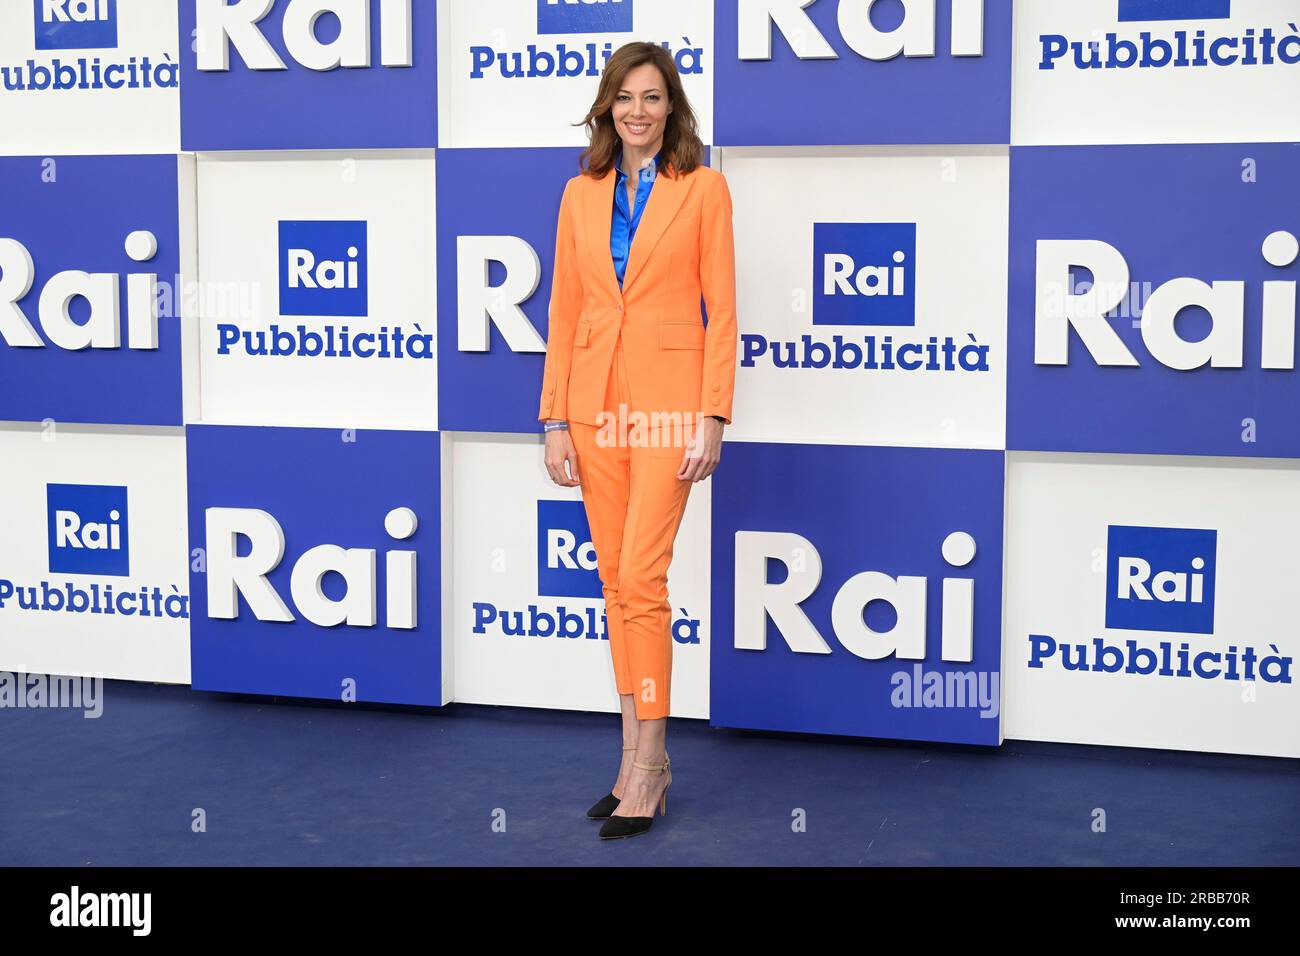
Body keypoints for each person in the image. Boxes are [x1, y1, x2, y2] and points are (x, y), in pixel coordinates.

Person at [537, 41, 738, 840]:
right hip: (592, 408)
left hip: (666, 411)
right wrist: (554, 419)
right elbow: (563, 312)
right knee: (616, 587)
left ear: (672, 108)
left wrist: (713, 415)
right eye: (626, 97)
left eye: (653, 98)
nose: (639, 112)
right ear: (607, 105)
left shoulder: (705, 189)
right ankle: (628, 758)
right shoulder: (579, 194)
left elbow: (721, 311)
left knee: (642, 581)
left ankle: (652, 762)